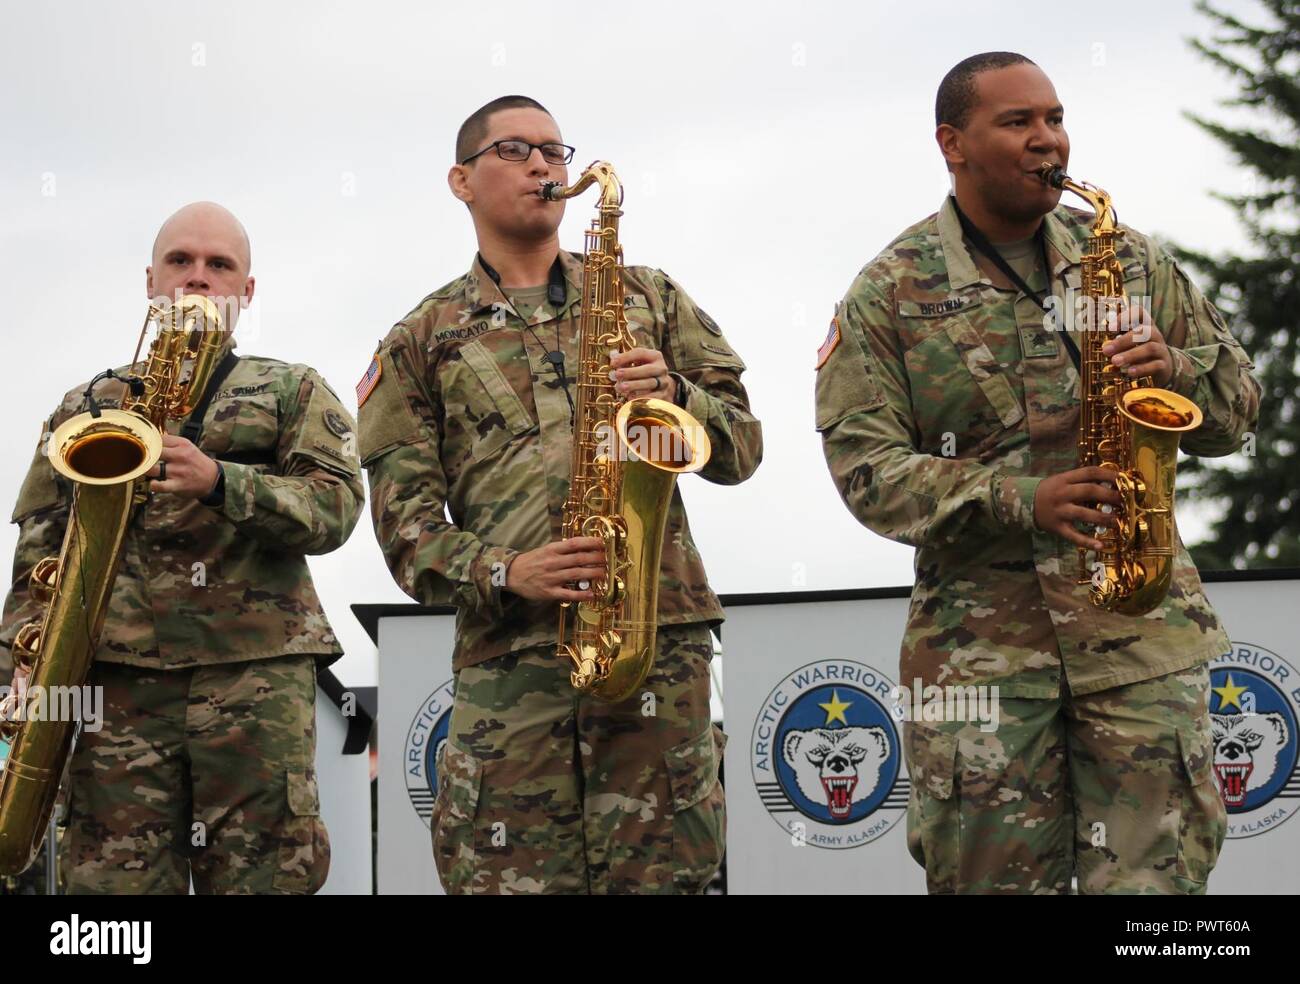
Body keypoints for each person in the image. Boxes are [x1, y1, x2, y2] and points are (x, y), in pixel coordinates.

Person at [815, 53, 1260, 894]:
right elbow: (864, 470)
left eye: (1054, 119)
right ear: (952, 143)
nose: (1046, 140)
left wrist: (1173, 369)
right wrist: (1022, 500)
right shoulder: (887, 292)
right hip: (980, 666)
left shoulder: (1129, 259)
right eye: (1017, 123)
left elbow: (1240, 409)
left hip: (1141, 638)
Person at [360, 95, 762, 895]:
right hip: (512, 667)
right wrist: (509, 571)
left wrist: (677, 391)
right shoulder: (417, 340)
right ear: (461, 181)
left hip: (655, 650)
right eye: (515, 149)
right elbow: (405, 532)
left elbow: (742, 449)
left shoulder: (652, 297)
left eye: (555, 150)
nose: (545, 166)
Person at [0, 201, 364, 894]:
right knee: (111, 892)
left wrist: (223, 481)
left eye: (219, 266)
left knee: (266, 878)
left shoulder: (294, 388)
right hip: (115, 682)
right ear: (150, 281)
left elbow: (337, 508)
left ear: (246, 293)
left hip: (254, 680)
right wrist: (18, 665)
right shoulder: (85, 406)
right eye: (181, 262)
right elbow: (38, 551)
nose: (198, 279)